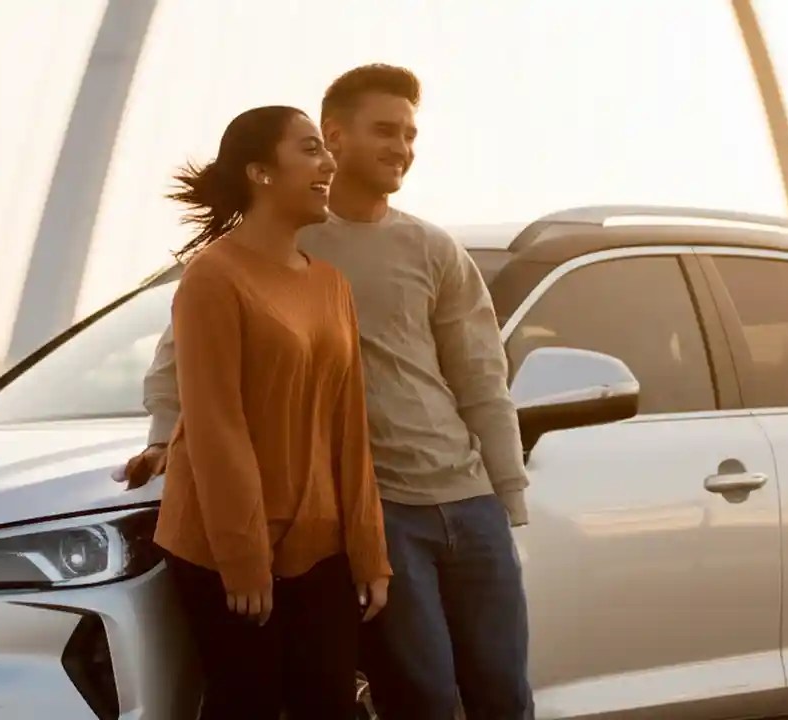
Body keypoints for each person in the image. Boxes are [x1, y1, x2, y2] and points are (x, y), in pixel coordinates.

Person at [121, 65, 533, 720]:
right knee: (419, 698)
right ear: (334, 136)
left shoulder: (425, 250)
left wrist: (507, 495)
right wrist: (160, 442)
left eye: (409, 133)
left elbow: (481, 376)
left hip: (459, 498)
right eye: (384, 131)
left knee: (504, 694)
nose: (401, 147)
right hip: (375, 505)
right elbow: (190, 372)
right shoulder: (271, 246)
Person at [148, 105, 392, 719]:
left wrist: (368, 553)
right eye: (310, 150)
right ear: (260, 173)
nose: (329, 164)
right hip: (225, 547)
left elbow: (348, 425)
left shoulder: (331, 284)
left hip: (319, 547)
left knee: (329, 705)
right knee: (245, 705)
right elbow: (214, 425)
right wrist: (243, 558)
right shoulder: (213, 277)